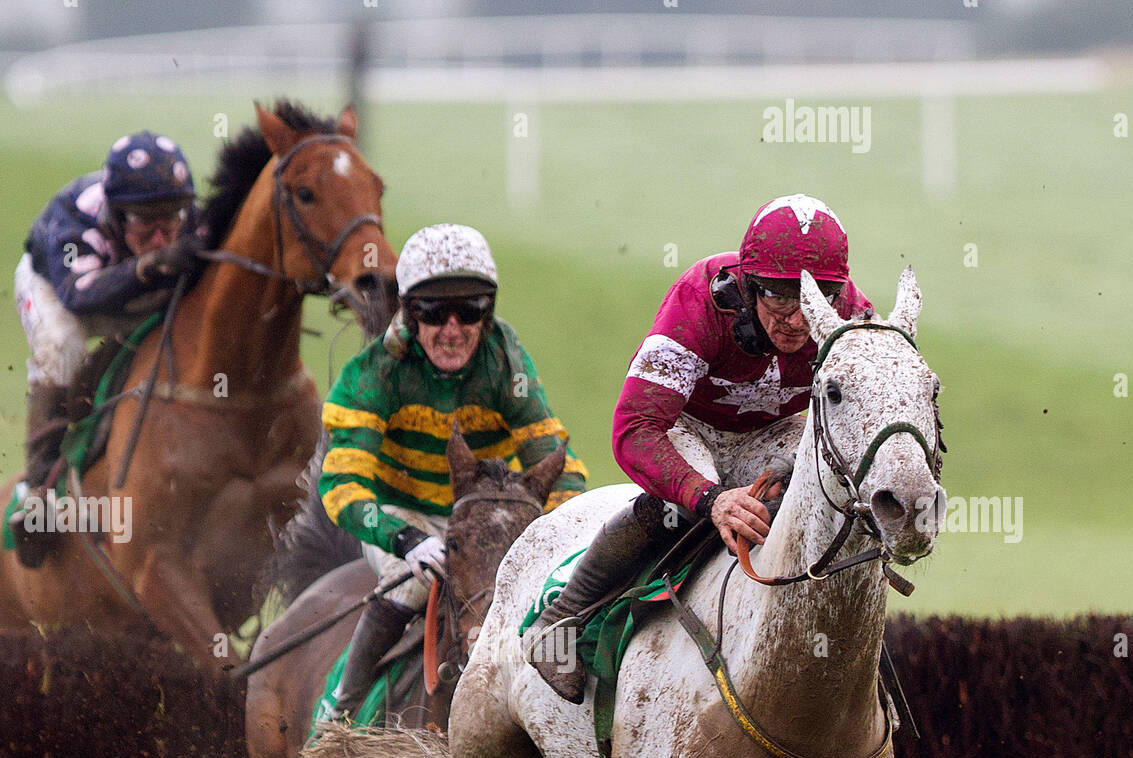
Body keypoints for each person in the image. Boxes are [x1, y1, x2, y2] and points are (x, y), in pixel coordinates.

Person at [526, 193, 874, 701]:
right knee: (685, 510)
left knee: (819, 495)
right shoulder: (699, 299)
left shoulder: (852, 317)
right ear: (748, 285)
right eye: (779, 296)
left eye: (816, 295)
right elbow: (635, 427)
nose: (797, 319)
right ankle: (562, 618)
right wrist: (710, 498)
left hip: (773, 431)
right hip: (686, 424)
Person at [315, 223, 588, 722]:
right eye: (435, 313)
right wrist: (404, 540)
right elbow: (342, 484)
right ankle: (340, 706)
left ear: (489, 314)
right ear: (409, 313)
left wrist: (556, 536)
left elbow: (557, 465)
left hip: (485, 521)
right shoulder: (372, 374)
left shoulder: (507, 363)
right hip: (405, 516)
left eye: (472, 311)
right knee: (413, 582)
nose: (453, 328)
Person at [9, 131, 203, 566]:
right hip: (56, 289)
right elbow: (81, 296)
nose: (161, 235)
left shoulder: (193, 218)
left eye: (171, 220)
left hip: (123, 291)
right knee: (61, 346)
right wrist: (153, 265)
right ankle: (38, 484)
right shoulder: (79, 216)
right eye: (145, 224)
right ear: (114, 215)